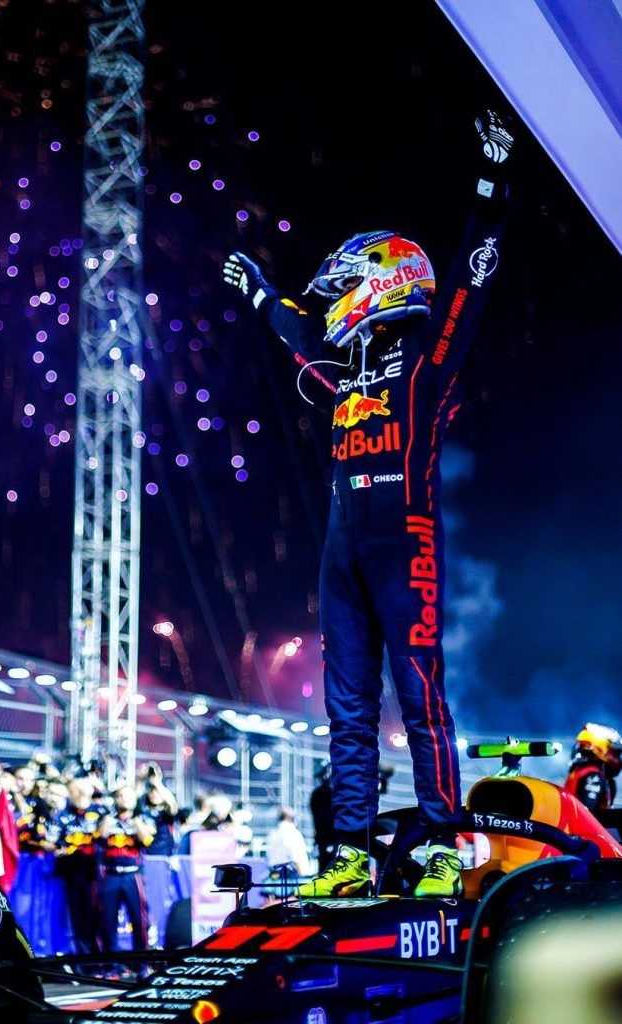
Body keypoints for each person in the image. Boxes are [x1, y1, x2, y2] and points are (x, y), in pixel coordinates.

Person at [223, 110, 515, 898]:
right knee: (346, 712)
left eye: (348, 287)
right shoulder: (344, 372)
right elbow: (296, 330)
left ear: (382, 284)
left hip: (403, 543)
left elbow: (471, 282)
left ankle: (445, 848)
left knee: (421, 700)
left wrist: (489, 189)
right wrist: (259, 295)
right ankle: (349, 851)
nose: (337, 303)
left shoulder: (429, 361)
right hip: (341, 550)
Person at [98, 784, 155, 953]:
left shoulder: (144, 819)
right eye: (121, 795)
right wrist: (106, 823)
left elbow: (147, 841)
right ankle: (111, 965)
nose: (124, 799)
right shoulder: (107, 819)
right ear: (115, 798)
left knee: (139, 920)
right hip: (111, 874)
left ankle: (142, 964)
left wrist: (136, 822)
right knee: (107, 920)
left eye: (129, 796)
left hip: (133, 875)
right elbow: (99, 840)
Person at [54, 778, 105, 953]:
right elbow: (55, 841)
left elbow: (105, 838)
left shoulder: (101, 812)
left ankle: (101, 960)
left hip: (95, 873)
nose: (74, 795)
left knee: (96, 916)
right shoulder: (62, 815)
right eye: (73, 791)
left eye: (76, 791)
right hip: (72, 873)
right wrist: (58, 849)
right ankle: (84, 962)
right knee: (77, 917)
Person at [565, 723, 621, 813]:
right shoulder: (593, 776)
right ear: (600, 749)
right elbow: (590, 814)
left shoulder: (581, 770)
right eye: (615, 753)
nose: (617, 759)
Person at [266, 807, 311, 876]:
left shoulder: (273, 834)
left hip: (274, 874)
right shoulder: (293, 833)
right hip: (290, 875)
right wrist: (303, 877)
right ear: (290, 818)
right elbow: (297, 857)